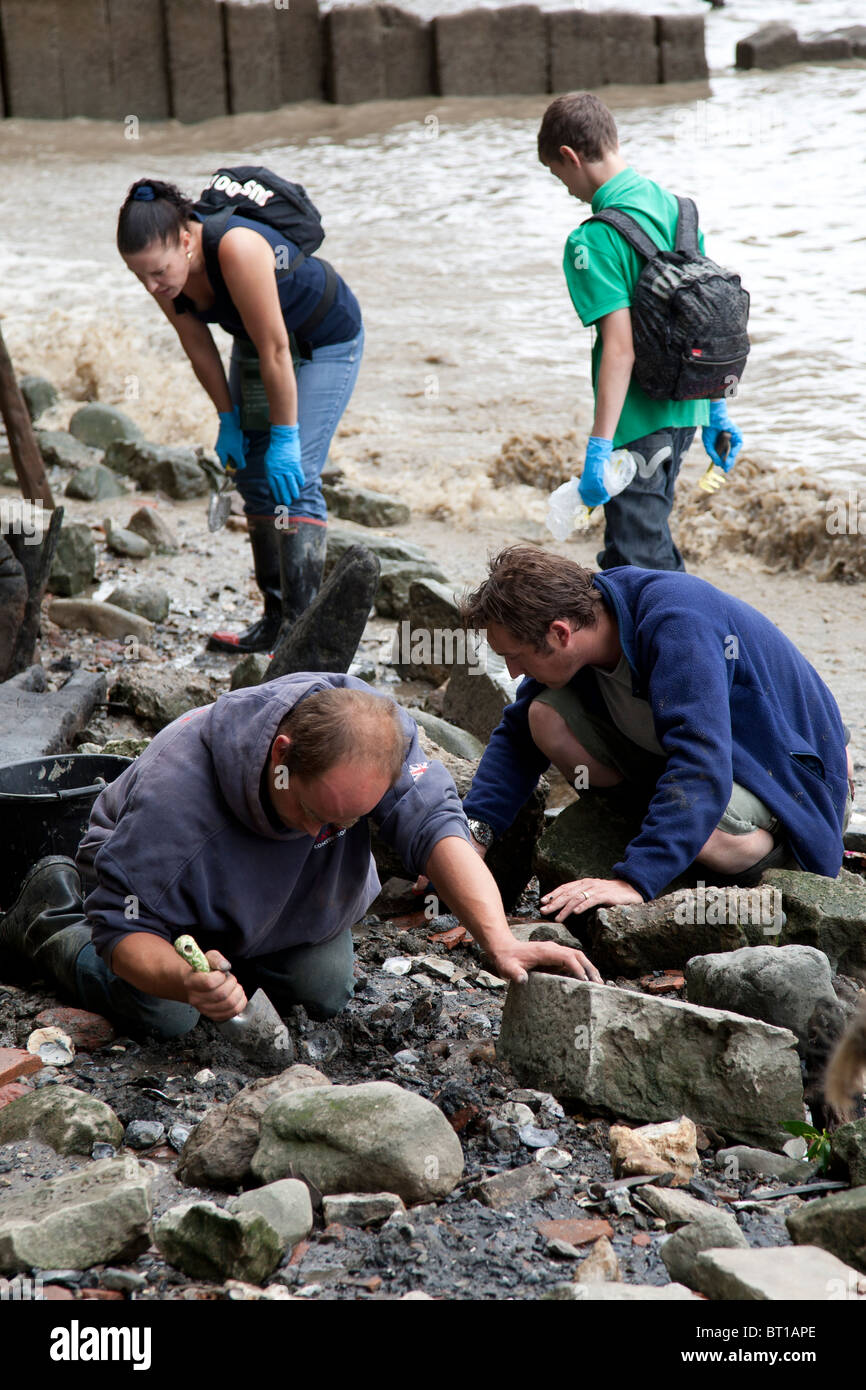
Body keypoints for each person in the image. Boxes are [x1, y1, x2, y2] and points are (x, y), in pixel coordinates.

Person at [0, 675, 600, 1038]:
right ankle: (48, 916)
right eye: (316, 814)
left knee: (326, 991)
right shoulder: (176, 800)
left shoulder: (373, 733)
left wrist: (499, 939)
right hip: (163, 909)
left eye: (348, 821)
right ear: (280, 755)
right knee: (169, 1017)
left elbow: (439, 827)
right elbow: (125, 925)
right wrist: (186, 980)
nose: (328, 831)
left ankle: (236, 959)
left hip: (291, 901)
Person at [459, 548, 853, 919]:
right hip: (715, 759)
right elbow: (516, 737)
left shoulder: (677, 623)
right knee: (541, 715)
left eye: (514, 656)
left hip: (794, 781)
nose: (511, 672)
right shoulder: (590, 615)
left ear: (560, 634)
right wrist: (474, 833)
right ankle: (665, 825)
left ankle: (770, 856)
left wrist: (633, 880)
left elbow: (700, 763)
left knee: (709, 828)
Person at [116, 177, 364, 653]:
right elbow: (199, 347)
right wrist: (226, 420)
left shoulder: (238, 248)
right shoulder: (162, 269)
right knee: (251, 473)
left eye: (157, 272)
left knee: (296, 480)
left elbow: (276, 350)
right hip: (258, 342)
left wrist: (286, 437)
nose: (151, 285)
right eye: (139, 275)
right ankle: (274, 619)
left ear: (186, 241)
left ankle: (301, 635)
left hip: (324, 340)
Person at [537, 92, 744, 571]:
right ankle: (674, 638)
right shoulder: (680, 210)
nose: (565, 187)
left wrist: (599, 447)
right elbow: (708, 320)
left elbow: (620, 350)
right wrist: (716, 411)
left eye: (556, 174)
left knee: (637, 566)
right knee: (646, 546)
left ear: (569, 157)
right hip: (685, 413)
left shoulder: (593, 238)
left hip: (636, 426)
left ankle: (682, 643)